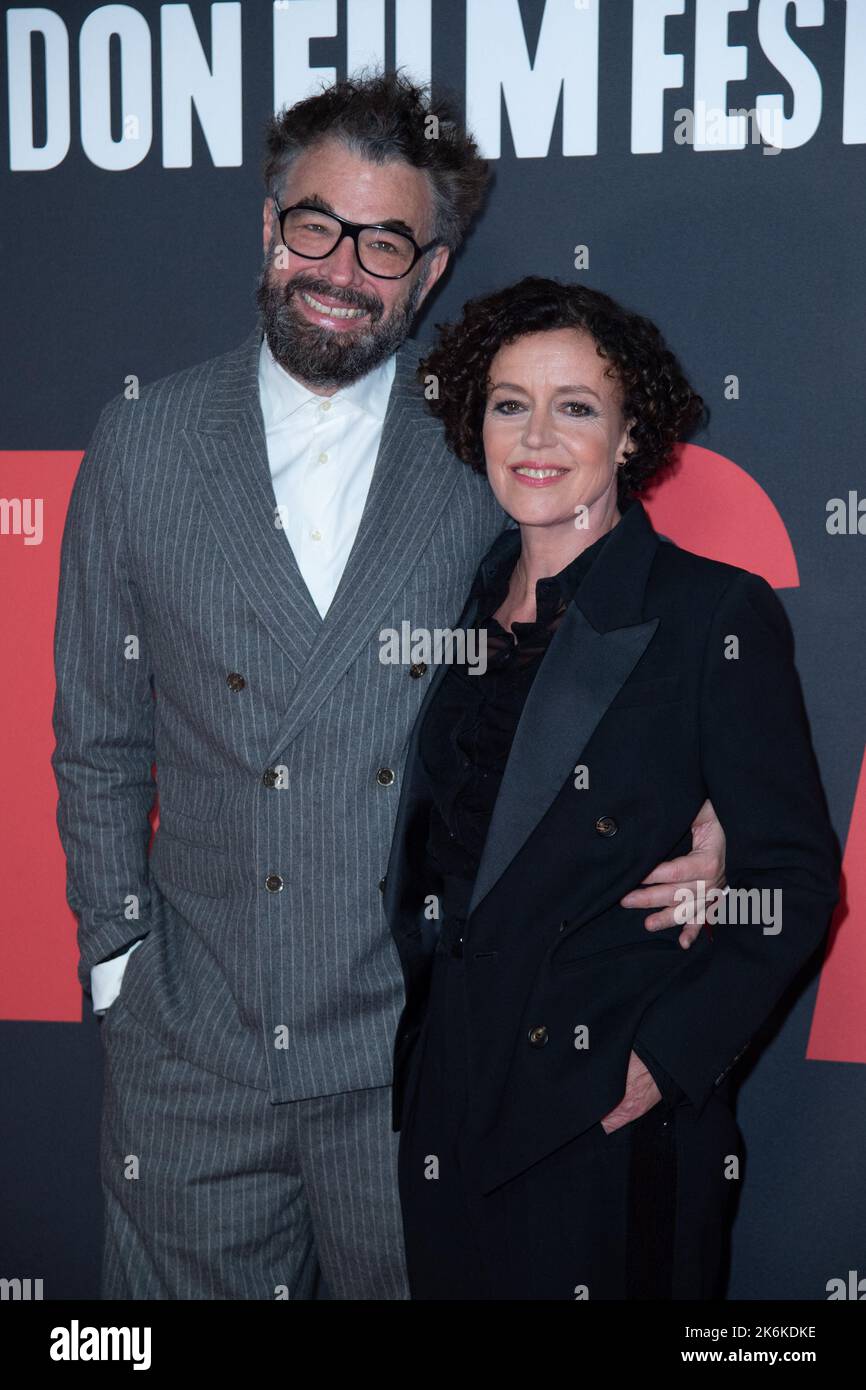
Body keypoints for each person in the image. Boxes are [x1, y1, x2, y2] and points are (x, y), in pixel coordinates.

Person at [51, 74, 725, 1301]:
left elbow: (622, 648)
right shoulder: (140, 439)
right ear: (267, 226)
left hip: (413, 1058)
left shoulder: (483, 447)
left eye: (383, 242)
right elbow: (96, 734)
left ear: (428, 271)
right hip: (189, 1058)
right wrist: (118, 959)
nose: (340, 267)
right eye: (315, 224)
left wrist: (712, 802)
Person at [385, 276, 841, 1301]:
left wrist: (658, 1063)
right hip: (446, 1098)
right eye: (509, 403)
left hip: (597, 1118)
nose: (536, 435)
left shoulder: (705, 613)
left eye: (575, 406)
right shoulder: (466, 593)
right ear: (475, 420)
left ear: (629, 433)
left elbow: (793, 878)